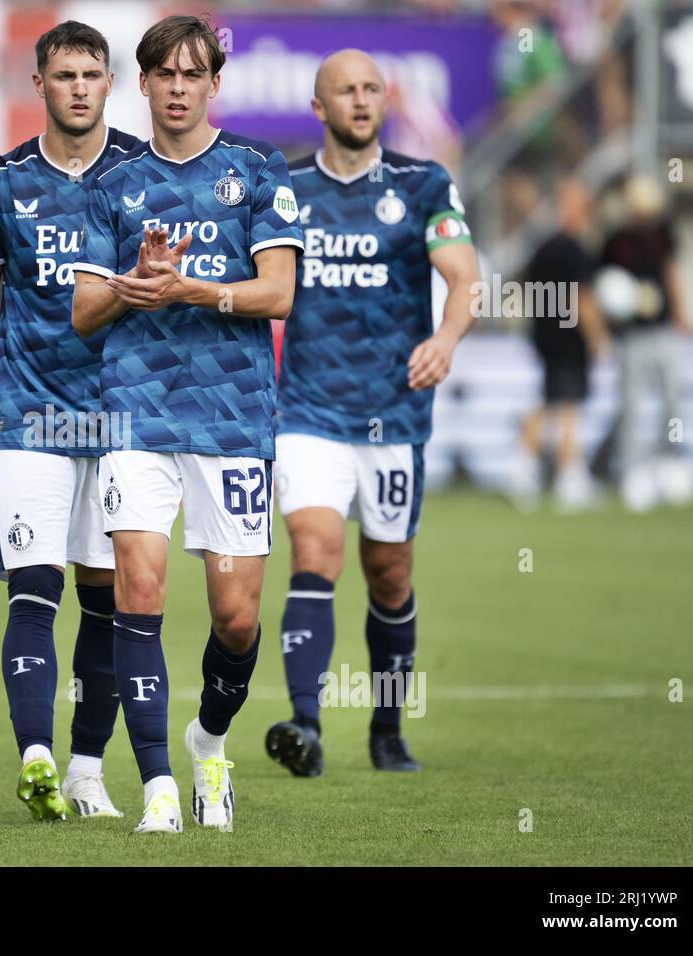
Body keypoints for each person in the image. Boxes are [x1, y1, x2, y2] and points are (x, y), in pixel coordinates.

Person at [72, 15, 302, 833]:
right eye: (162, 74)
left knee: (237, 617)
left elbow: (279, 294)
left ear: (213, 84)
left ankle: (208, 742)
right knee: (138, 588)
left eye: (191, 74)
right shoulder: (111, 184)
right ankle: (160, 787)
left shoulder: (259, 170)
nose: (176, 88)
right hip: (135, 414)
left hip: (235, 420)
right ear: (142, 83)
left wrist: (192, 289)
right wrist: (132, 284)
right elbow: (82, 312)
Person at [0, 21, 141, 822]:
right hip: (32, 417)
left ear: (109, 82)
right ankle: (36, 759)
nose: (81, 87)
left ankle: (87, 772)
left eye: (93, 73)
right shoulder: (0, 183)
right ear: (40, 84)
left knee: (110, 601)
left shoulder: (144, 172)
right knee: (33, 588)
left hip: (127, 422)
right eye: (66, 75)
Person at [266, 49, 481, 779]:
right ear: (319, 108)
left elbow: (462, 277)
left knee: (389, 573)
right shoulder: (286, 188)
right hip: (308, 411)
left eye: (370, 90)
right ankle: (304, 725)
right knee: (314, 552)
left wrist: (446, 338)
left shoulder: (424, 186)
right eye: (344, 92)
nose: (360, 101)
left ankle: (388, 732)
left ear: (383, 103)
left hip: (394, 415)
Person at [510, 176, 609, 511]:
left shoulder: (543, 247)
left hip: (544, 336)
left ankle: (527, 467)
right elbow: (582, 298)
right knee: (567, 406)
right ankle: (569, 476)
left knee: (553, 401)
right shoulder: (572, 249)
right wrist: (598, 337)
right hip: (567, 340)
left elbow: (527, 290)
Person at [598, 174, 689, 512]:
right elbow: (604, 287)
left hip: (662, 329)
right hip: (632, 334)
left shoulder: (663, 233)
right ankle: (633, 470)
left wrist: (680, 310)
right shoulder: (615, 241)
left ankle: (669, 460)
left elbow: (670, 272)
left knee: (671, 397)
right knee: (632, 404)